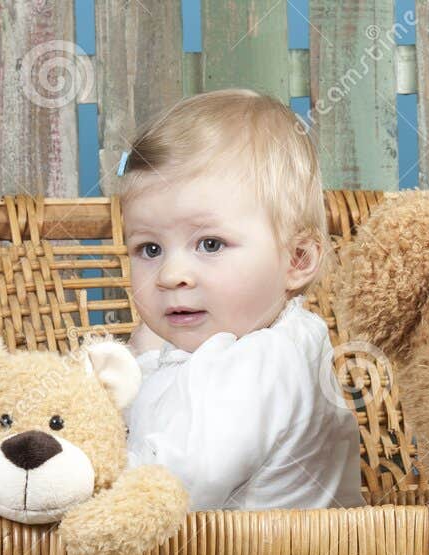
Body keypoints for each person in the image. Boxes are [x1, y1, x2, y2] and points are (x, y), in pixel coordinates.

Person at [114, 89, 365, 512]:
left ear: (296, 260)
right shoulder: (211, 342)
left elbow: (186, 483)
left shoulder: (269, 360)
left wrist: (83, 484)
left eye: (210, 244)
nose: (172, 275)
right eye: (150, 250)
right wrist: (138, 367)